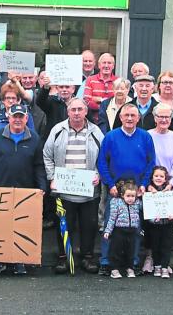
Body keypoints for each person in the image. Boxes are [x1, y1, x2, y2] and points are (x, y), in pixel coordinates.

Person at [0, 104, 46, 275]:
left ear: (26, 119)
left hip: (25, 191)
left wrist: (42, 186)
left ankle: (19, 261)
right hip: (0, 190)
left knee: (20, 227)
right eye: (14, 116)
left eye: (20, 116)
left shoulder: (34, 139)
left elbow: (38, 165)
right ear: (8, 117)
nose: (17, 119)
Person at [43, 98, 104, 274]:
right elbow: (47, 155)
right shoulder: (57, 130)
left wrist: (98, 175)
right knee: (64, 225)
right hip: (64, 189)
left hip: (88, 191)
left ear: (86, 112)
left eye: (80, 109)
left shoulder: (96, 131)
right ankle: (63, 258)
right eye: (73, 109)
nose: (76, 113)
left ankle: (87, 258)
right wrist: (52, 177)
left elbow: (104, 156)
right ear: (68, 112)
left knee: (88, 225)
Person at [96, 104, 156, 274]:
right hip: (115, 190)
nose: (130, 118)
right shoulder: (110, 137)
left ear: (138, 118)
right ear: (120, 118)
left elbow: (151, 162)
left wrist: (144, 184)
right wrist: (110, 184)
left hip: (136, 192)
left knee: (135, 228)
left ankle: (133, 261)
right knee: (111, 225)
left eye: (133, 115)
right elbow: (102, 162)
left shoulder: (145, 137)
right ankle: (106, 262)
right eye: (126, 115)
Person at [146, 103, 173, 234]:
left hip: (169, 187)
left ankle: (166, 254)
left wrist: (171, 183)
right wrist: (148, 185)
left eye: (167, 117)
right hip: (151, 186)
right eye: (160, 116)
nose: (164, 120)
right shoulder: (147, 135)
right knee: (151, 223)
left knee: (168, 225)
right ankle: (150, 253)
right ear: (155, 118)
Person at [103, 179, 141, 279]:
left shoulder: (137, 203)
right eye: (128, 196)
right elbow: (112, 218)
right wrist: (108, 231)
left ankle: (130, 268)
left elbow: (147, 207)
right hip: (119, 231)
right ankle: (114, 269)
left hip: (132, 230)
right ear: (122, 195)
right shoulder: (116, 202)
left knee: (130, 251)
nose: (130, 199)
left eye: (133, 196)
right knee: (116, 250)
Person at [143, 167, 173, 279]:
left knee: (166, 246)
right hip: (154, 225)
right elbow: (147, 210)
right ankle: (157, 266)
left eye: (161, 176)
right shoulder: (148, 192)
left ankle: (165, 267)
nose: (158, 178)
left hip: (168, 224)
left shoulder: (170, 191)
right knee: (155, 246)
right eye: (156, 176)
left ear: (166, 178)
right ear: (152, 177)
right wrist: (152, 219)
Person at [83, 53, 117, 122]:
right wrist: (106, 102)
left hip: (112, 122)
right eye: (104, 63)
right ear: (99, 65)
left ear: (113, 66)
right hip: (93, 122)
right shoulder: (90, 80)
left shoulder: (118, 81)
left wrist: (98, 100)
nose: (106, 66)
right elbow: (86, 101)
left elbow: (118, 102)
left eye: (109, 63)